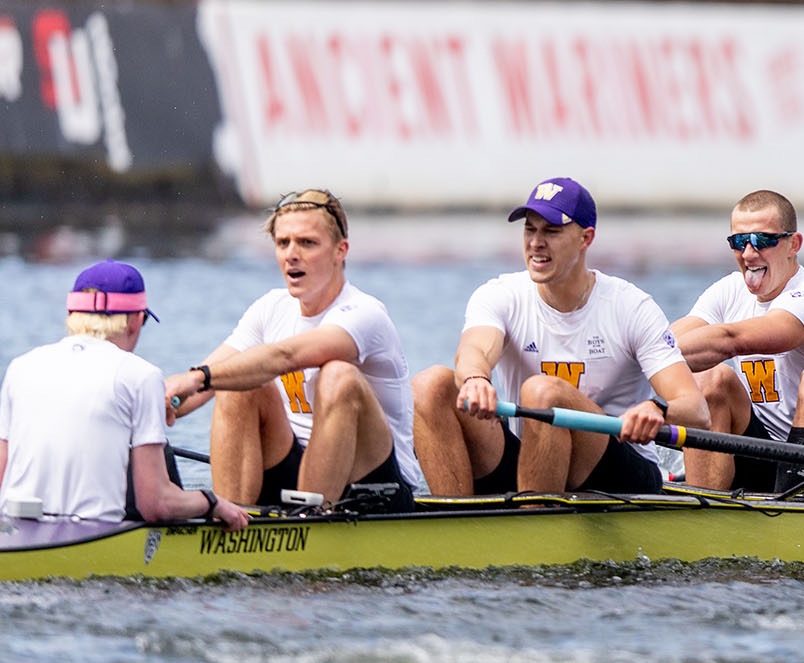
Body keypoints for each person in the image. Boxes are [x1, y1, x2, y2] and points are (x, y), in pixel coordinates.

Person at [410, 178, 708, 497]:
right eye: (530, 230)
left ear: (585, 238)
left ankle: (535, 516)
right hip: (532, 460)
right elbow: (475, 349)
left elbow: (696, 410)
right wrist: (475, 379)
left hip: (620, 471)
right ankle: (457, 518)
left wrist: (657, 409)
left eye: (551, 231)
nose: (536, 243)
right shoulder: (500, 294)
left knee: (542, 392)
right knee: (430, 385)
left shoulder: (631, 307)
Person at [162, 189, 421, 505]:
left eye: (307, 243)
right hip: (297, 467)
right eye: (283, 243)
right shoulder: (270, 308)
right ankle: (231, 519)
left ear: (340, 251)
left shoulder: (365, 313)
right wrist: (151, 403)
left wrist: (199, 377)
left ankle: (310, 521)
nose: (291, 255)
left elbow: (286, 356)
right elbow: (199, 384)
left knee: (338, 375)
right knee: (233, 383)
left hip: (376, 482)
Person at [0, 261, 248, 530]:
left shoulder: (20, 367)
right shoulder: (141, 375)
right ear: (136, 321)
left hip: (12, 532)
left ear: (71, 314)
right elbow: (157, 506)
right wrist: (212, 502)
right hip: (92, 538)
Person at [670, 190, 804, 491]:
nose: (749, 253)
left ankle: (793, 507)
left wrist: (651, 356)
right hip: (765, 453)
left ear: (794, 244)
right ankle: (703, 505)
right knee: (711, 379)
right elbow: (671, 337)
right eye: (739, 241)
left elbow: (730, 340)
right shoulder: (728, 290)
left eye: (763, 240)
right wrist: (627, 357)